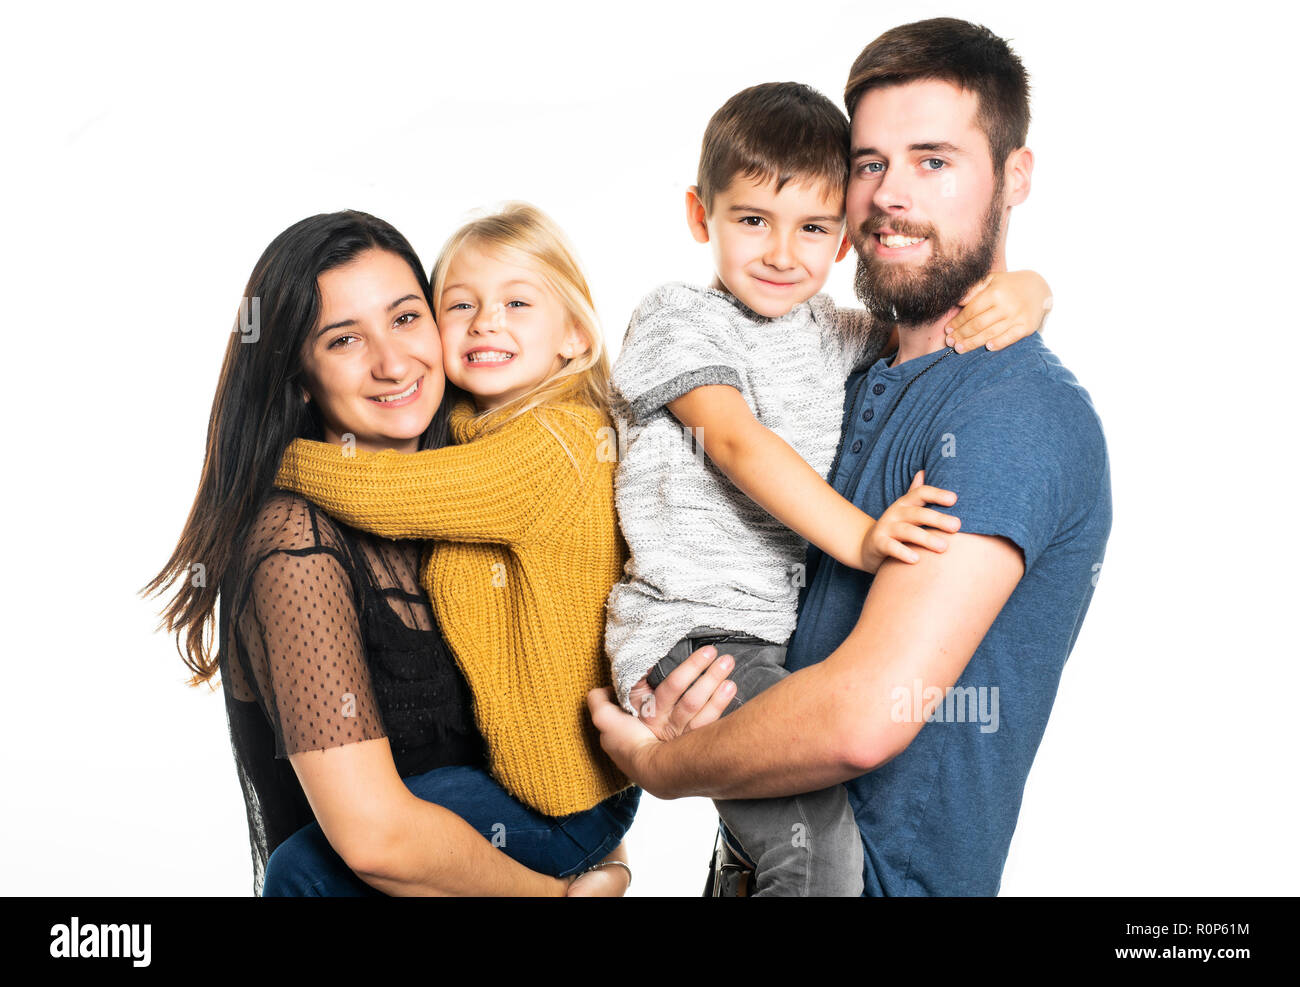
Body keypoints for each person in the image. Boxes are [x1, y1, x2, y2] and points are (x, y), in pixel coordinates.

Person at [589, 17, 1113, 897]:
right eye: (869, 163)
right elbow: (735, 444)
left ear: (1015, 177)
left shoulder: (1012, 410)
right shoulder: (853, 362)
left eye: (933, 161)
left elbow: (858, 722)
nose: (890, 195)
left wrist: (671, 766)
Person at [145, 210, 636, 896]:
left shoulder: (493, 467)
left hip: (570, 816)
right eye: (344, 338)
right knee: (301, 873)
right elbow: (376, 838)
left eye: (406, 318)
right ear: (298, 377)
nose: (392, 360)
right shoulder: (297, 545)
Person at [271, 204, 708, 890]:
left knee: (304, 869)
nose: (486, 322)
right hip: (540, 794)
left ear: (572, 336)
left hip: (563, 803)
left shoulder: (554, 442)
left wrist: (276, 462)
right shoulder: (477, 433)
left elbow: (392, 494)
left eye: (517, 302)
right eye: (461, 304)